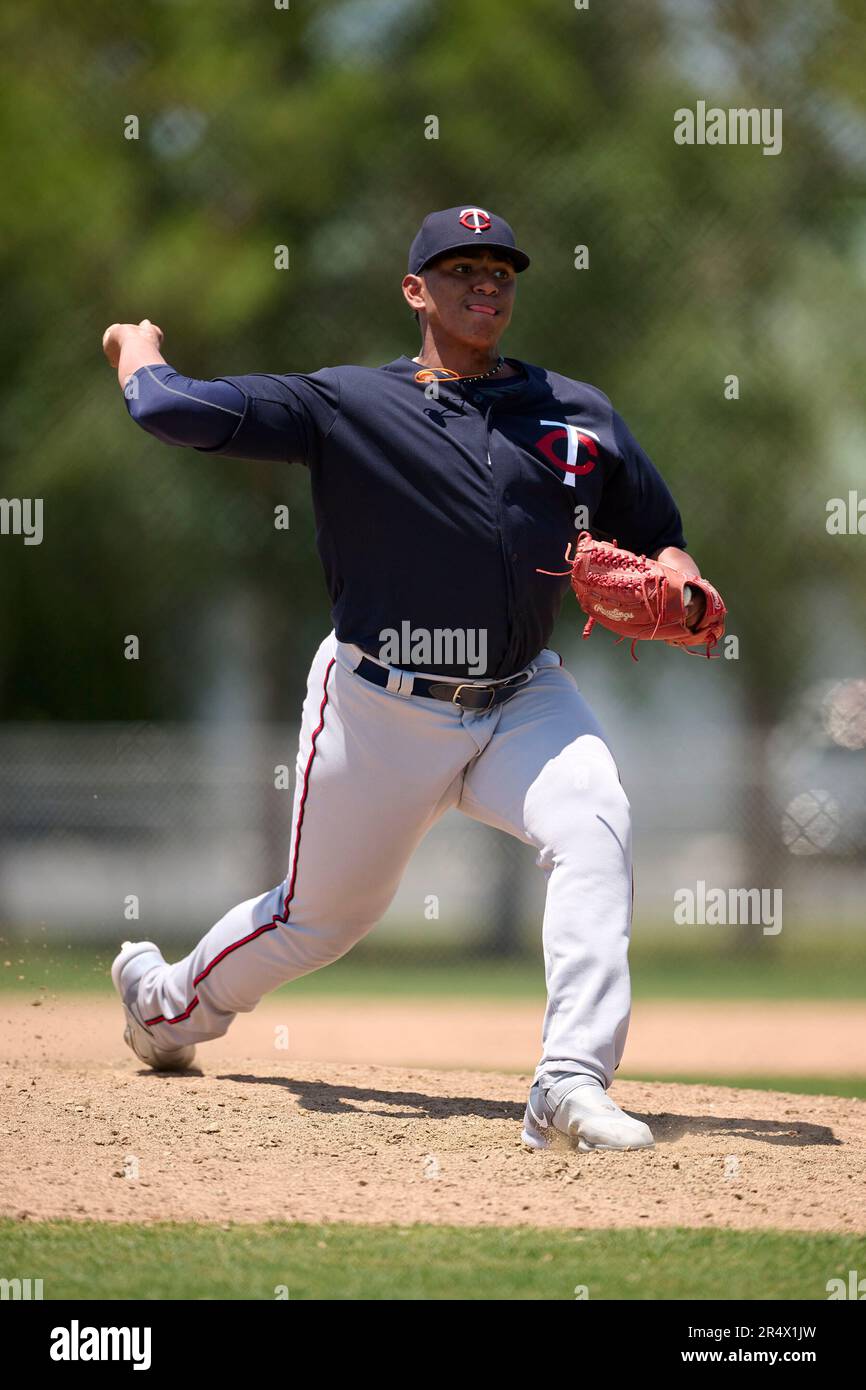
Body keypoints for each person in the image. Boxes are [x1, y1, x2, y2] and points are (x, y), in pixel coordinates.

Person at [103, 204, 708, 1152]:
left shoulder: (576, 411)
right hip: (380, 709)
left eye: (501, 270)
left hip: (520, 696)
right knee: (317, 924)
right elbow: (171, 410)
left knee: (596, 822)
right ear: (414, 290)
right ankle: (165, 1002)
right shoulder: (349, 404)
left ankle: (568, 1082)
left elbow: (656, 528)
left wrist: (677, 574)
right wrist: (137, 351)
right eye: (462, 268)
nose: (486, 284)